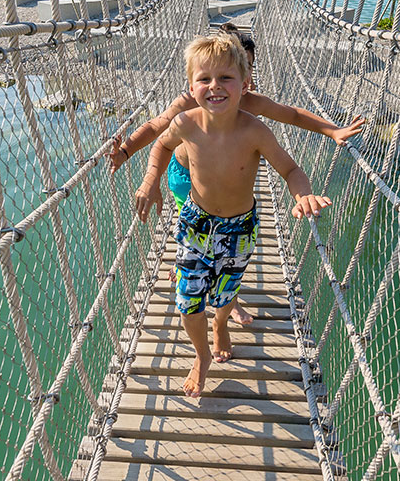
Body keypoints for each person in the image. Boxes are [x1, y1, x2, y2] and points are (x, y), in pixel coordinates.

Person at [111, 22, 363, 326]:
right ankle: (192, 267)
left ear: (245, 76)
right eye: (209, 75)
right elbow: (156, 130)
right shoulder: (191, 104)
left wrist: (330, 129)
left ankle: (223, 297)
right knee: (191, 229)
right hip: (184, 175)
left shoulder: (251, 110)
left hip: (233, 203)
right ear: (194, 82)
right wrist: (127, 153)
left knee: (226, 260)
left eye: (243, 70)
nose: (220, 84)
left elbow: (292, 115)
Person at [135, 34, 331, 397]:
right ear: (190, 85)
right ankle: (201, 355)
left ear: (245, 84)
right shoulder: (185, 124)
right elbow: (160, 146)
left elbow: (289, 169)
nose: (215, 87)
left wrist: (302, 193)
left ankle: (221, 324)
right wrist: (151, 183)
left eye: (226, 78)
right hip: (195, 222)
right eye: (204, 79)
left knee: (224, 296)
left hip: (239, 229)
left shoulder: (254, 130)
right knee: (188, 301)